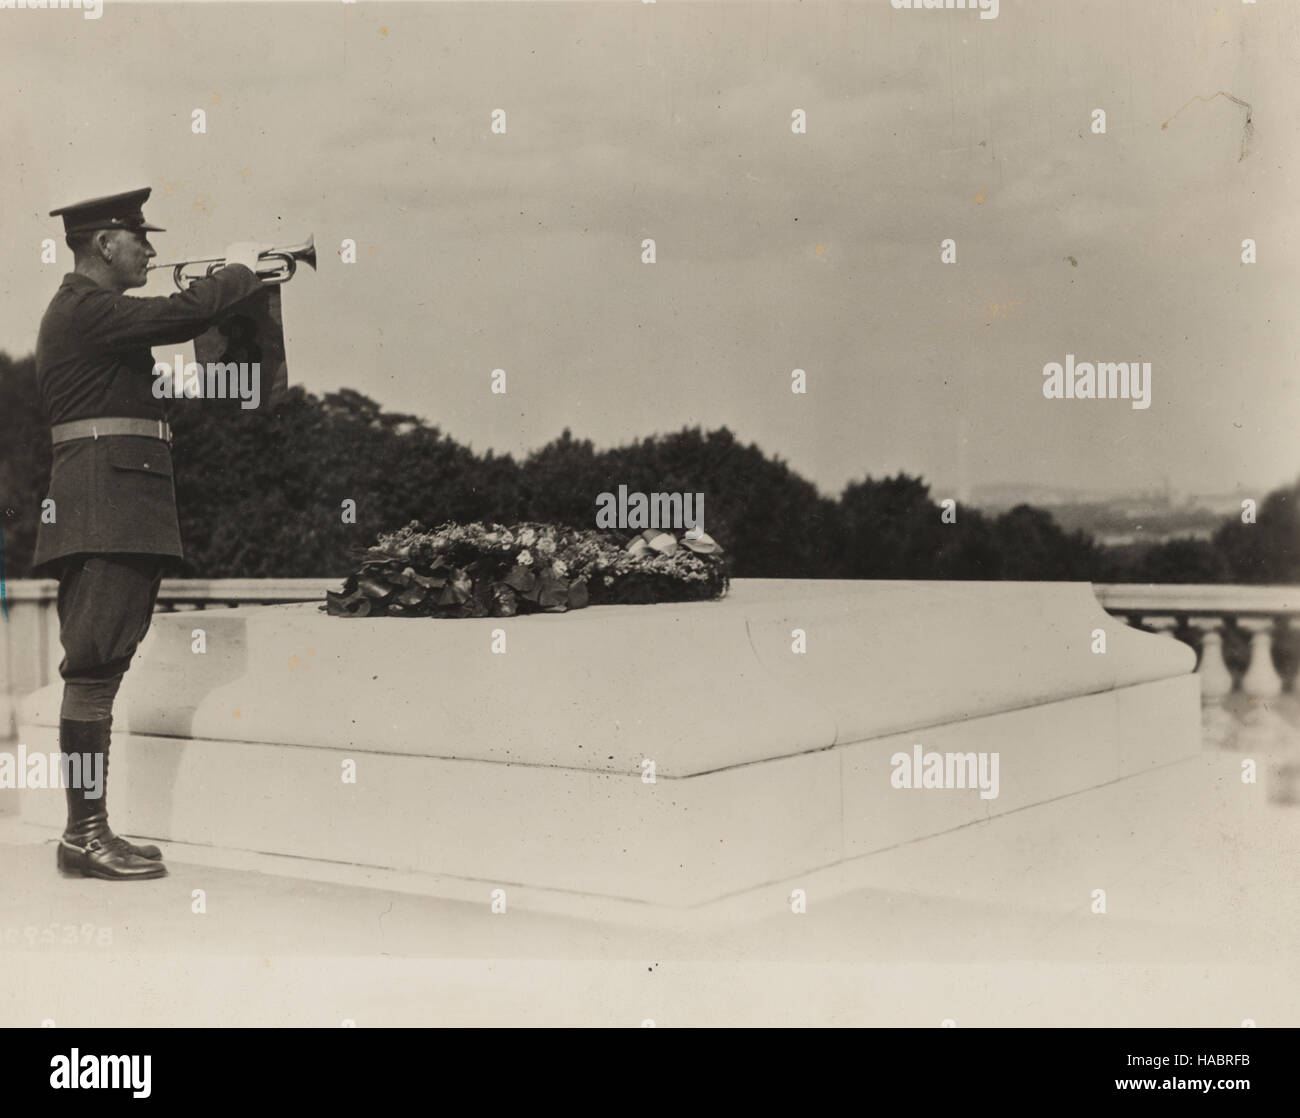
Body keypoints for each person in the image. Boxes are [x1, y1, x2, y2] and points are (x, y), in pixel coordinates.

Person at [33, 187, 267, 881]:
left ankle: (91, 830)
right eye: (140, 238)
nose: (152, 251)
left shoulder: (95, 322)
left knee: (101, 668)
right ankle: (84, 834)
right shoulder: (85, 308)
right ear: (105, 242)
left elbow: (167, 387)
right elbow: (180, 312)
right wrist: (239, 271)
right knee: (94, 671)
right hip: (106, 508)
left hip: (118, 506)